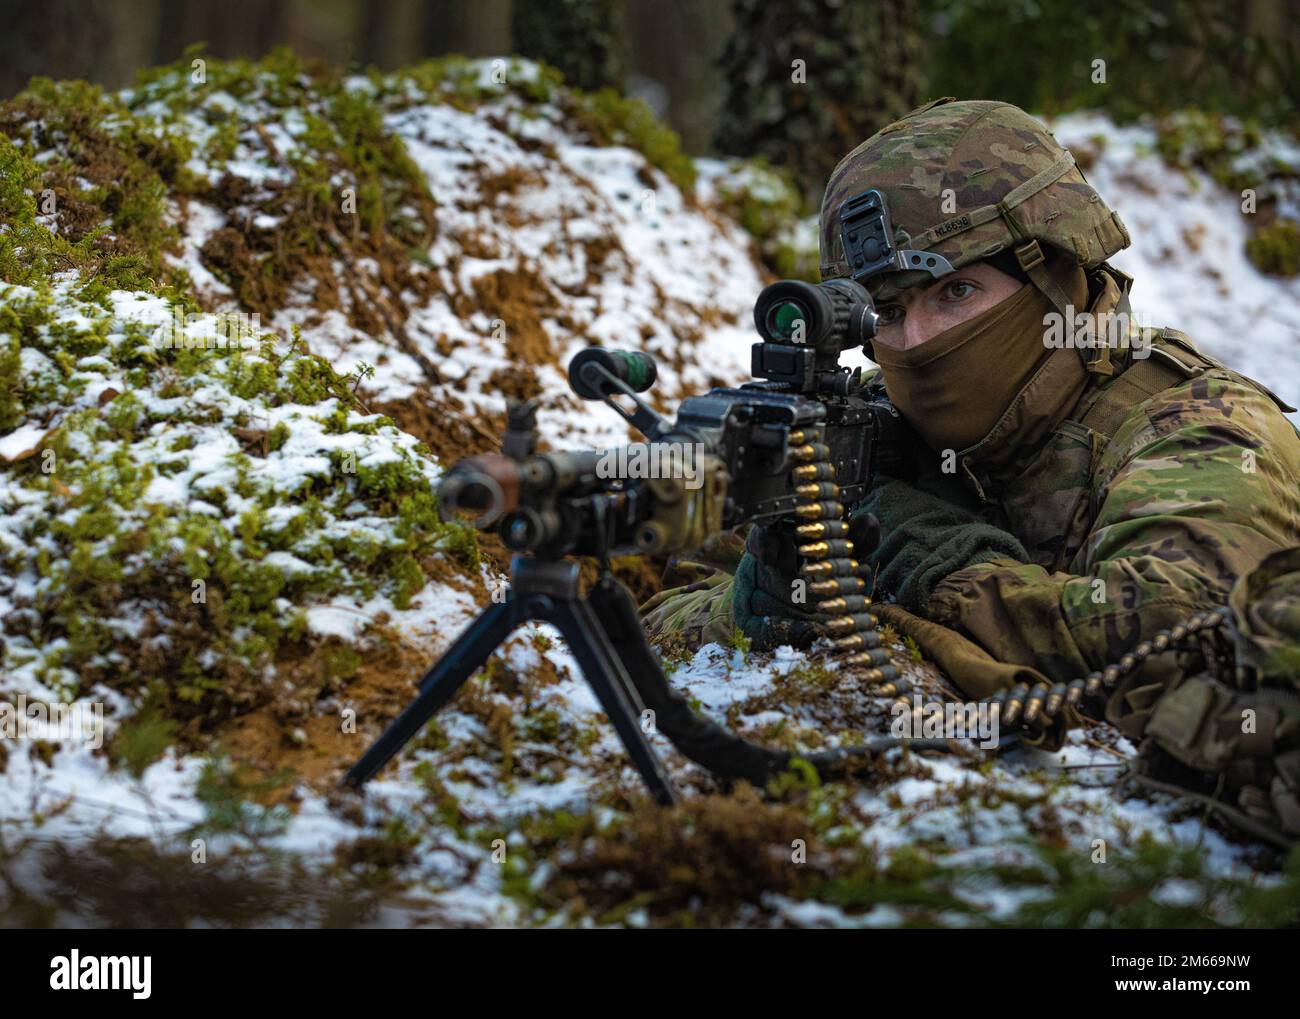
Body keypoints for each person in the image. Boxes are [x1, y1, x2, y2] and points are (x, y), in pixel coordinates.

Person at [639, 98, 1300, 844]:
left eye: (956, 292)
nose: (917, 342)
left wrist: (951, 575)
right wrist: (745, 605)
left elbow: (1168, 646)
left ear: (1057, 275)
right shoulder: (870, 426)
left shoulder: (1198, 428)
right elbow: (663, 604)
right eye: (887, 314)